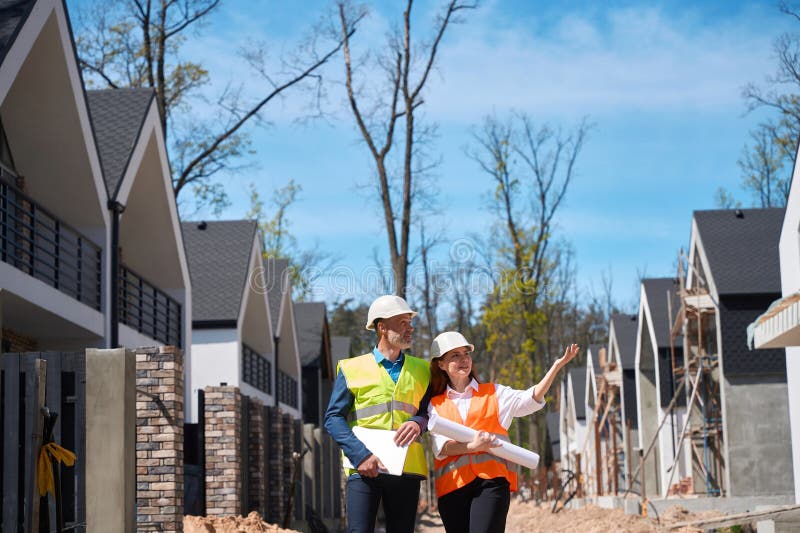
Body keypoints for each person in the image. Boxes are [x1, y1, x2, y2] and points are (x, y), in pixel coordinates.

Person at [428, 331, 579, 533]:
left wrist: (555, 367)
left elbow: (530, 399)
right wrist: (473, 446)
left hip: (491, 484)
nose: (463, 359)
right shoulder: (435, 404)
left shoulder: (494, 393)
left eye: (466, 353)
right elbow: (442, 448)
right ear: (441, 364)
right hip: (452, 487)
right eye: (455, 355)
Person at [323, 295, 431, 533]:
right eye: (402, 322)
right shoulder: (352, 368)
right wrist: (360, 456)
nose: (409, 328)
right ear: (382, 327)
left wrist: (418, 422)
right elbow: (333, 418)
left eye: (410, 322)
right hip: (364, 467)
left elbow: (430, 412)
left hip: (407, 468)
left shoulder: (424, 370)